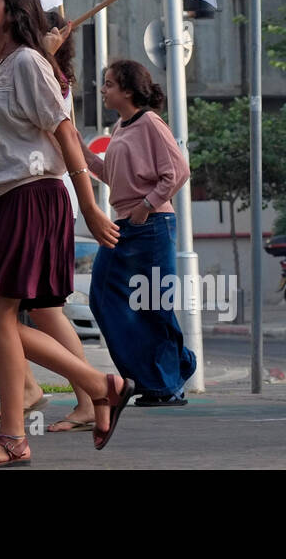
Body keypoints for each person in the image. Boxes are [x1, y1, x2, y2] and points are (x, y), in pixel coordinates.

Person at [0, 0, 130, 467]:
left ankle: (14, 436)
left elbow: (65, 135)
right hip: (7, 198)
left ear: (14, 10)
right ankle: (96, 383)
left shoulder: (26, 62)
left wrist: (89, 205)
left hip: (35, 195)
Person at [83, 59, 196, 407]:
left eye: (109, 84)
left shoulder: (149, 123)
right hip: (124, 224)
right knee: (102, 299)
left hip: (153, 225)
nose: (103, 90)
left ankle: (166, 384)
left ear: (128, 90)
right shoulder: (120, 126)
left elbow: (178, 170)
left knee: (153, 304)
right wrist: (78, 150)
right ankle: (170, 369)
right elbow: (113, 175)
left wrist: (147, 204)